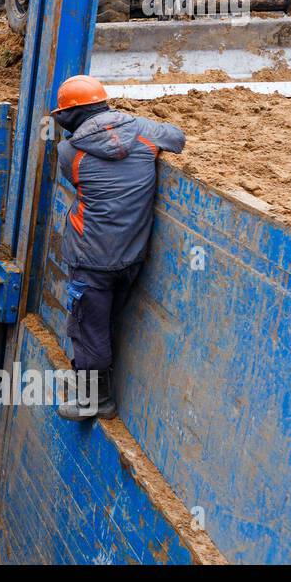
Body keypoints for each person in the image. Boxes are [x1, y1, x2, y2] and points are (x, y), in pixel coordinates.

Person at [51, 75, 185, 420]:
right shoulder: (142, 130)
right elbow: (177, 138)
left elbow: (78, 177)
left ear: (70, 114)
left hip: (91, 259)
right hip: (131, 257)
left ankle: (96, 401)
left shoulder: (69, 152)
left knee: (86, 329)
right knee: (105, 322)